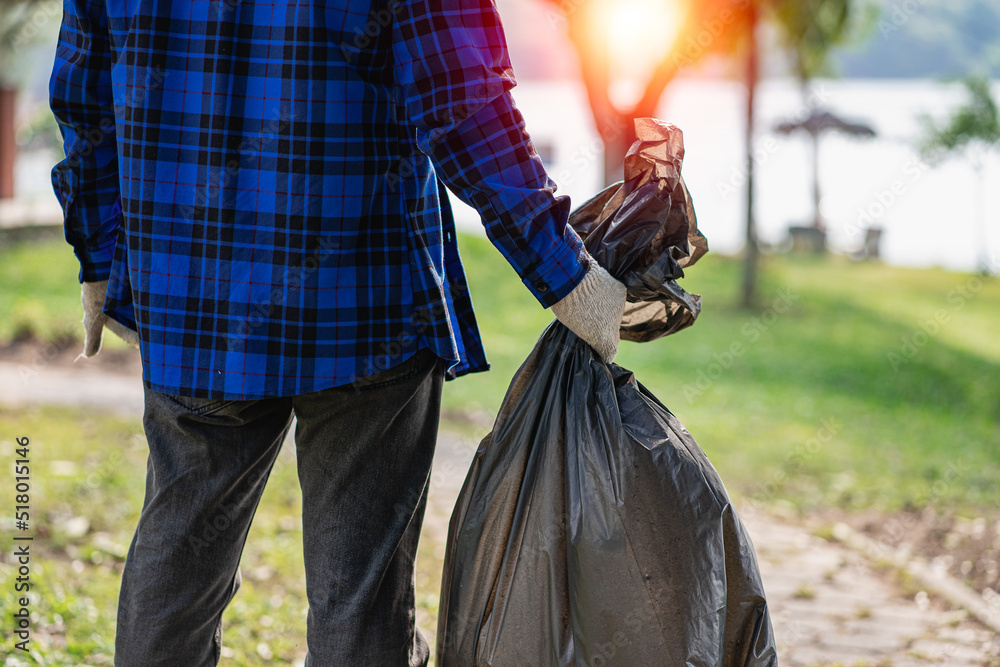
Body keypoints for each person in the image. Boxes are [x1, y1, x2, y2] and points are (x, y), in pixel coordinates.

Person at [50, 0, 626, 664]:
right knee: (358, 601)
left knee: (175, 571)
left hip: (193, 302)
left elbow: (84, 87)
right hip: (361, 303)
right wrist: (564, 272)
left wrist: (98, 253)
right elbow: (462, 97)